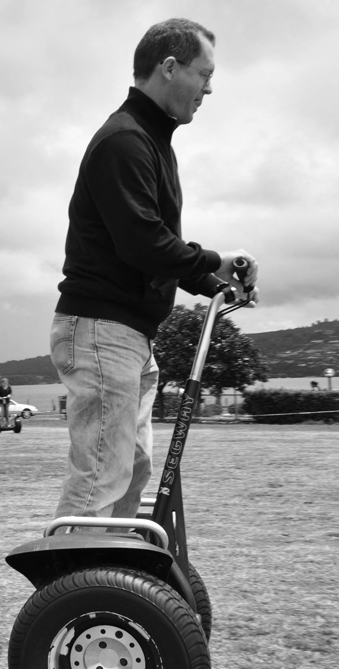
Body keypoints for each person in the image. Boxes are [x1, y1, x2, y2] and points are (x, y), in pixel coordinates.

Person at [51, 18, 259, 524]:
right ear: (169, 67)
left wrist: (211, 283)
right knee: (102, 474)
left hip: (128, 336)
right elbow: (143, 242)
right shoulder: (125, 141)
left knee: (131, 471)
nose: (209, 88)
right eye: (203, 74)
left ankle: (115, 588)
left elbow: (153, 249)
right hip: (102, 333)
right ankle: (72, 598)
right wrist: (216, 261)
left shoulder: (153, 142)